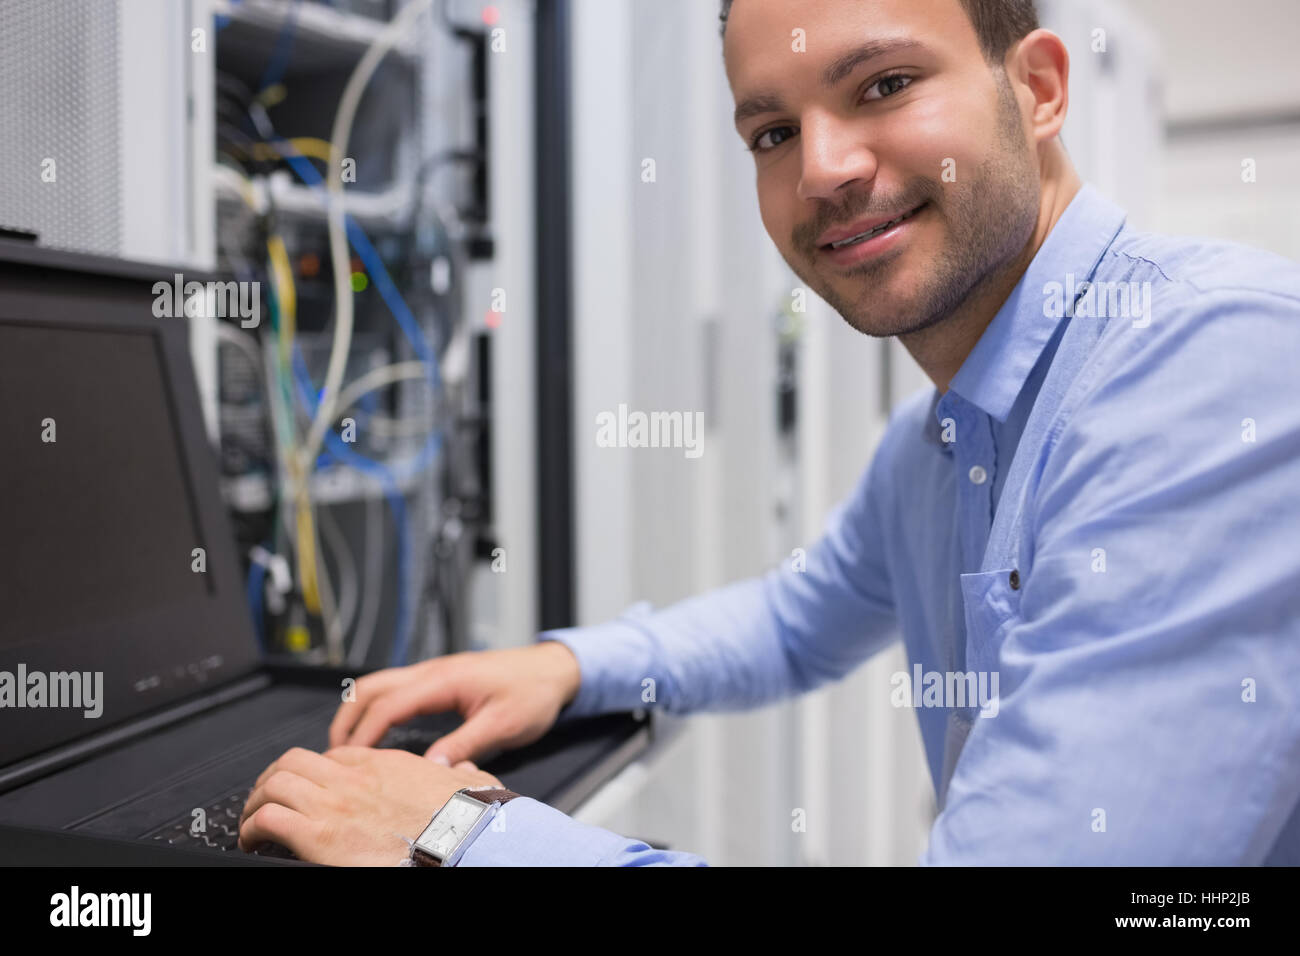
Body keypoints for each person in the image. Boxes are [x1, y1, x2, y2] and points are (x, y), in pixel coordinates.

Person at [237, 0, 1300, 865]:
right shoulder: (945, 435)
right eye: (772, 133)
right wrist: (565, 664)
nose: (823, 169)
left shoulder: (1208, 366)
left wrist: (461, 832)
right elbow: (794, 620)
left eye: (883, 84)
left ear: (1037, 88)